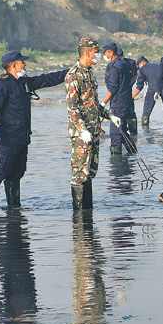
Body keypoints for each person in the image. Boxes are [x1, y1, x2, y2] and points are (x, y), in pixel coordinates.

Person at [0, 51, 68, 208]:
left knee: (16, 174)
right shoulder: (3, 84)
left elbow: (47, 79)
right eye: (22, 62)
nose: (25, 64)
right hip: (8, 139)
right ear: (14, 65)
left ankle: (14, 208)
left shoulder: (24, 82)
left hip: (23, 137)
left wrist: (71, 71)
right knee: (1, 171)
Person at [66, 38, 118, 210]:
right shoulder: (74, 75)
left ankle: (87, 214)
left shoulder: (89, 73)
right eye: (96, 52)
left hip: (94, 131)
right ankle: (79, 217)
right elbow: (72, 108)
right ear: (87, 53)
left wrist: (110, 116)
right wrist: (82, 130)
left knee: (90, 173)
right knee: (79, 174)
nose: (98, 55)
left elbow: (93, 104)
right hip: (82, 135)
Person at [101, 42, 134, 155]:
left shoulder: (114, 67)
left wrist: (103, 102)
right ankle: (132, 153)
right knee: (123, 130)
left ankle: (116, 165)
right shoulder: (124, 64)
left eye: (105, 53)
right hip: (126, 101)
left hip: (118, 103)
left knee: (115, 134)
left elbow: (113, 87)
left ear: (111, 52)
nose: (103, 56)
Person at [133, 56, 163, 128]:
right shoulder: (158, 65)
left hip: (152, 88)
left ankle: (145, 129)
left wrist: (132, 97)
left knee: (146, 110)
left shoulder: (142, 68)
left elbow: (139, 86)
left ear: (142, 63)